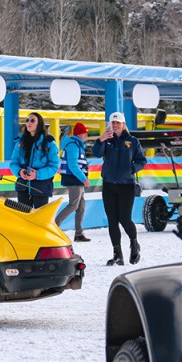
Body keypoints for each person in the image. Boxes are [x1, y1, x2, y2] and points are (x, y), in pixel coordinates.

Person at [92, 111, 147, 266]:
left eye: (118, 123)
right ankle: (117, 254)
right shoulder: (106, 141)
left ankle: (134, 243)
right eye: (113, 123)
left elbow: (142, 160)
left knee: (124, 218)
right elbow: (96, 153)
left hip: (126, 186)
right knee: (112, 221)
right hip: (109, 185)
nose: (115, 126)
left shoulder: (133, 141)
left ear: (123, 125)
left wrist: (132, 168)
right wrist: (101, 139)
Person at [8, 111, 60, 208]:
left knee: (39, 218)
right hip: (23, 187)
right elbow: (13, 163)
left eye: (32, 121)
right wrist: (20, 172)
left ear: (39, 124)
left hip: (41, 188)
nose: (29, 123)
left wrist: (37, 174)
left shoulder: (49, 143)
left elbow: (54, 166)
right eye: (27, 120)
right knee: (23, 218)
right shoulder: (20, 142)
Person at [57, 122, 91, 241]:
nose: (86, 136)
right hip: (74, 179)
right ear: (79, 134)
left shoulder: (77, 145)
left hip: (77, 180)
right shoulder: (73, 145)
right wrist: (84, 178)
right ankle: (55, 225)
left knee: (81, 206)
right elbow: (73, 165)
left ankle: (79, 233)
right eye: (84, 133)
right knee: (74, 205)